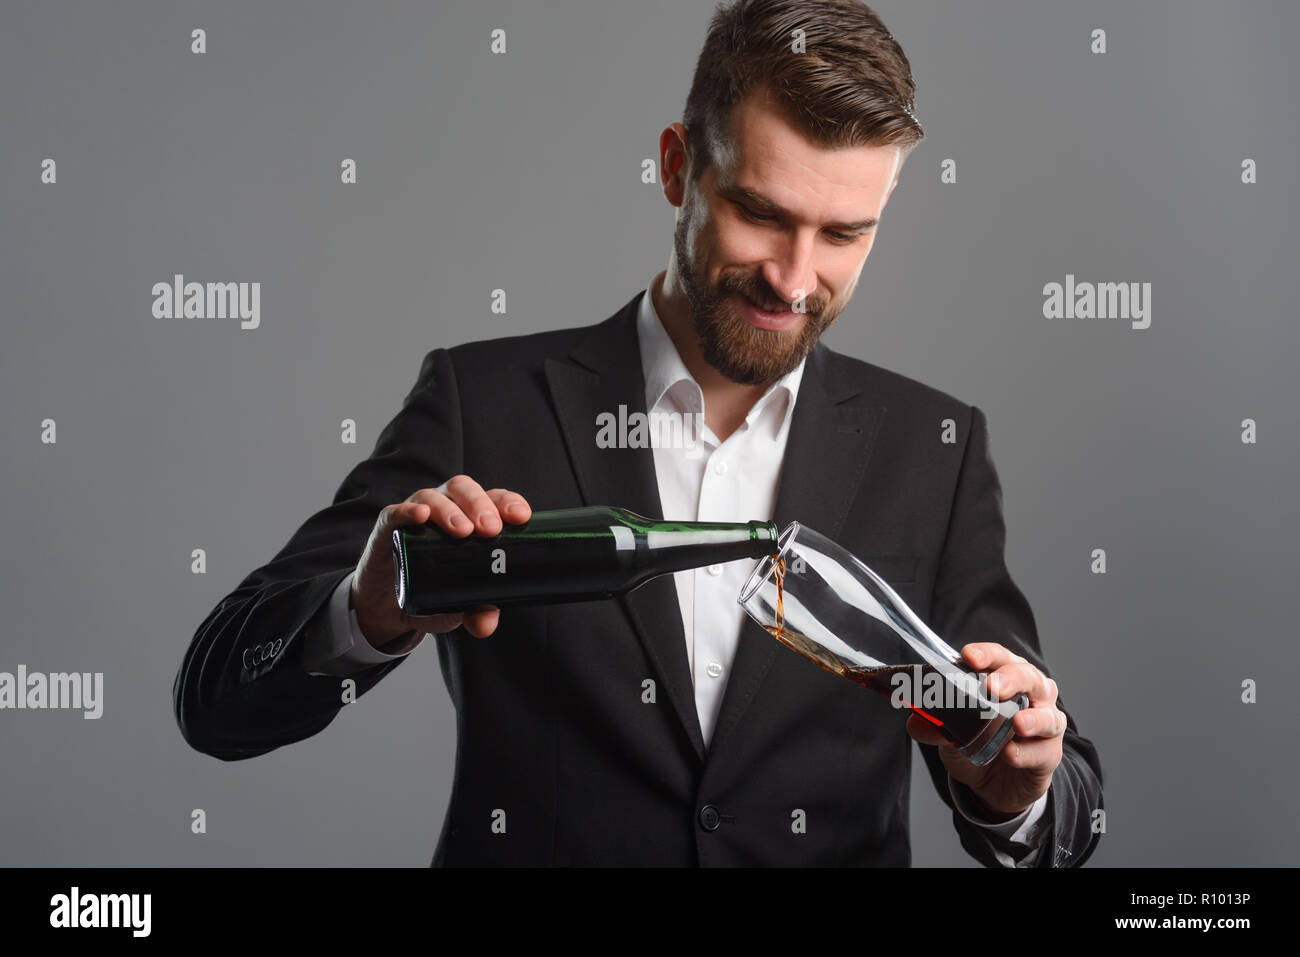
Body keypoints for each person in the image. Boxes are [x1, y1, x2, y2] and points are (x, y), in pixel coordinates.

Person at [174, 0, 1103, 867]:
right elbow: (215, 700)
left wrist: (1012, 791)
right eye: (761, 213)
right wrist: (367, 611)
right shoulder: (481, 400)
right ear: (674, 167)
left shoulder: (934, 447)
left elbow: (1066, 808)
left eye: (844, 234)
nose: (793, 277)